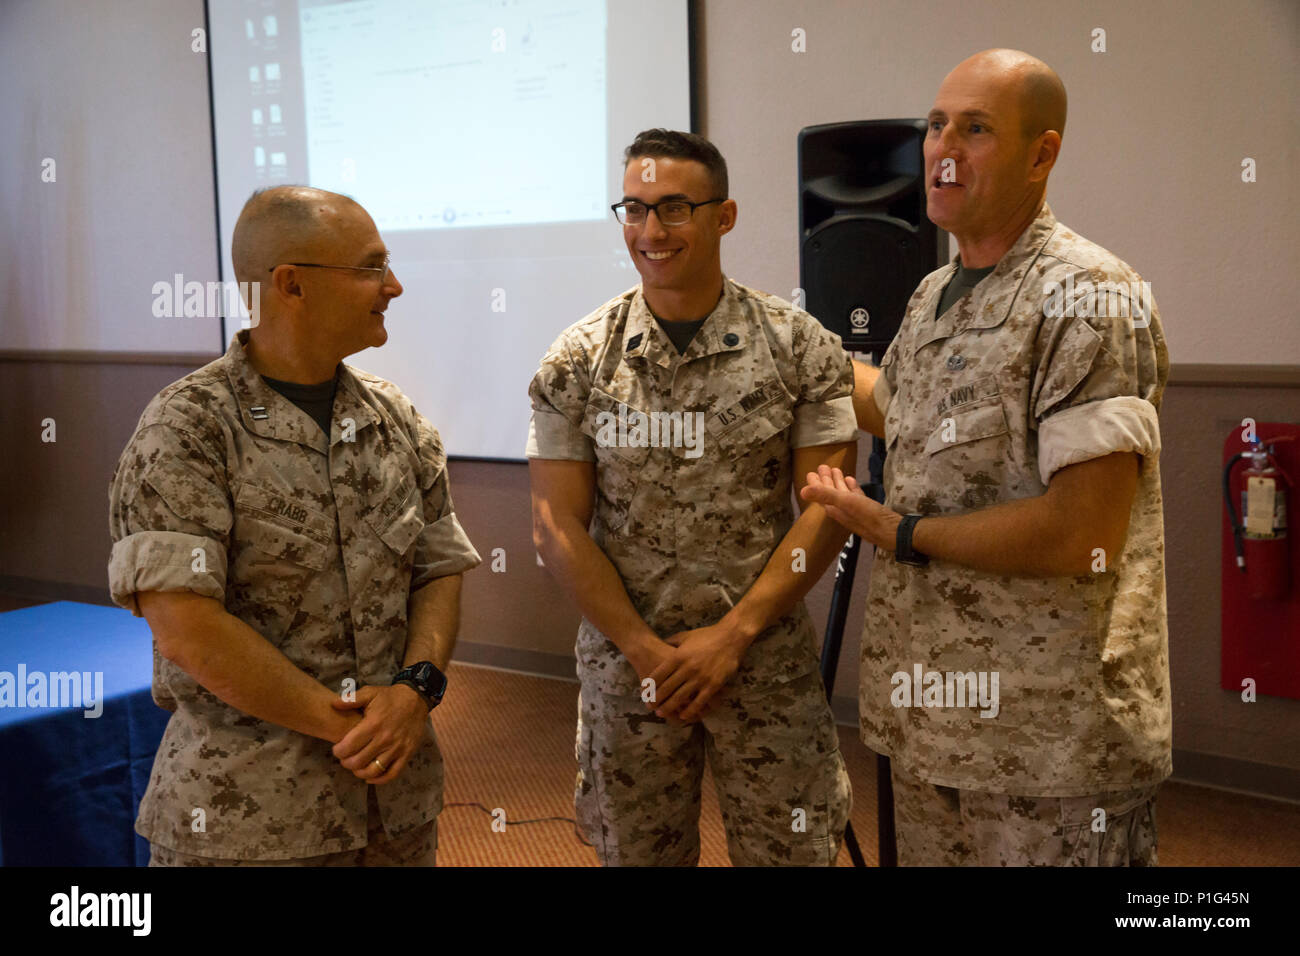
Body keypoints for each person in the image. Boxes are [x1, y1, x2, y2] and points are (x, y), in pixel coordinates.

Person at [801, 49, 1171, 866]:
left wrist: (897, 531)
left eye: (976, 130)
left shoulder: (1088, 298)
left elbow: (1082, 531)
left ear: (1043, 153)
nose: (943, 150)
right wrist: (797, 351)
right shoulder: (935, 293)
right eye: (936, 126)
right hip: (932, 725)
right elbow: (896, 407)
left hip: (1048, 745)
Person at [108, 186, 480, 866]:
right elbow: (185, 625)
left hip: (393, 805)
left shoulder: (394, 418)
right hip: (249, 822)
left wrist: (414, 690)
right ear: (291, 284)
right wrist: (352, 725)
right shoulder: (188, 428)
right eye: (371, 267)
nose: (392, 285)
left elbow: (438, 565)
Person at [528, 129, 855, 866]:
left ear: (724, 215)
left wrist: (733, 637)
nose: (650, 232)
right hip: (627, 671)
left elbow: (826, 508)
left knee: (791, 855)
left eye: (674, 208)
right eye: (634, 209)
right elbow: (556, 526)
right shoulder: (578, 359)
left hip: (763, 662)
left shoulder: (800, 347)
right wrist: (647, 651)